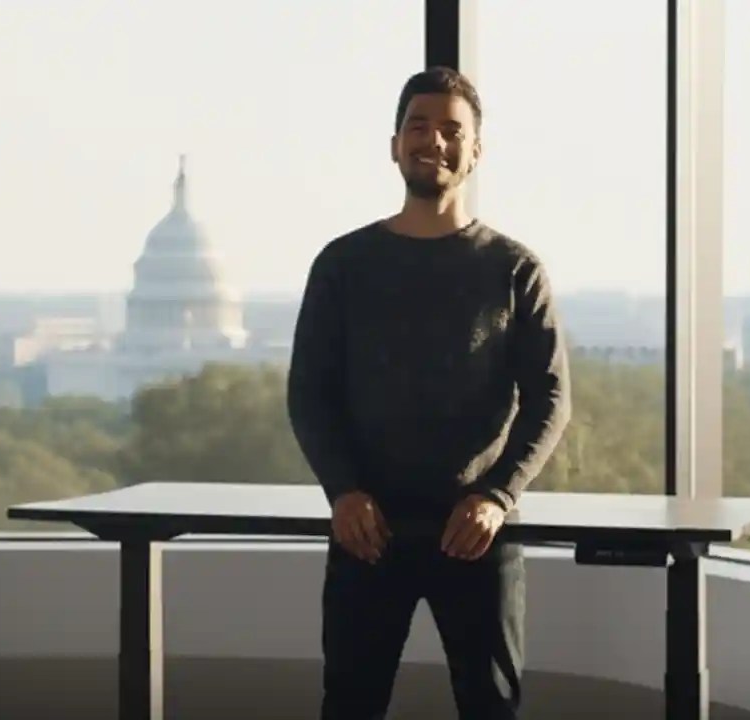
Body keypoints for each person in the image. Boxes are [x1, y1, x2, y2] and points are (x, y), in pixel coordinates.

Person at [286, 66, 572, 720]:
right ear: (394, 144)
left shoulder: (513, 269)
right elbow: (309, 393)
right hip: (367, 530)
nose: (433, 141)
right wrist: (343, 491)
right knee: (350, 706)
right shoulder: (343, 264)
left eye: (452, 130)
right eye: (419, 126)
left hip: (475, 534)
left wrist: (498, 496)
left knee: (492, 709)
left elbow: (551, 399)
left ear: (475, 152)